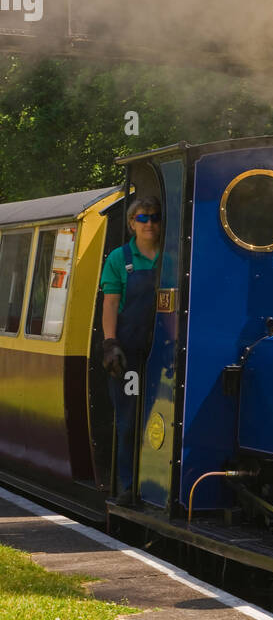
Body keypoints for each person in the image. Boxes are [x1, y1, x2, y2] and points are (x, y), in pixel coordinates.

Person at [100, 196, 161, 503]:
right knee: (129, 422)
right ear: (131, 223)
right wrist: (110, 343)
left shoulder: (173, 256)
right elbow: (110, 302)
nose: (149, 223)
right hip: (130, 351)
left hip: (164, 350)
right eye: (143, 218)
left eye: (154, 217)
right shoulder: (119, 258)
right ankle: (128, 485)